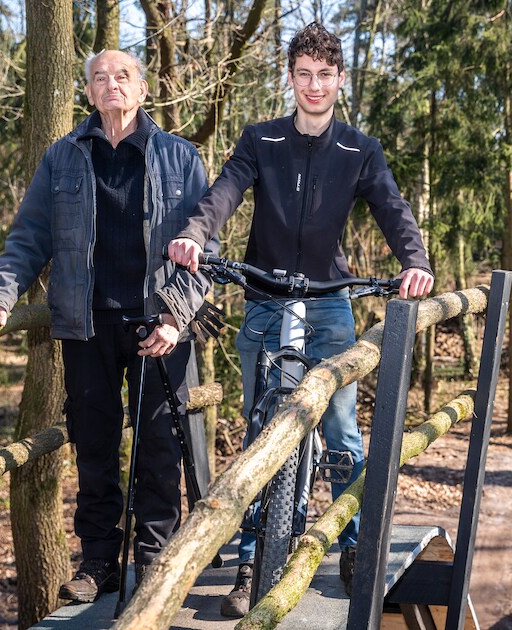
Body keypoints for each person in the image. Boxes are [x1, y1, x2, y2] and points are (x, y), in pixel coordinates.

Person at [167, 21, 434, 617]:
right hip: (264, 298)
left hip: (328, 300)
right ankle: (250, 561)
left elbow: (392, 208)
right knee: (260, 431)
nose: (314, 85)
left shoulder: (360, 150)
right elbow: (223, 192)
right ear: (290, 78)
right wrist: (194, 234)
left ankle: (354, 543)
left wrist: (415, 263)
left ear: (340, 80)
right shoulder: (260, 139)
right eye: (304, 74)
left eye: (325, 75)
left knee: (340, 430)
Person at [0, 49, 218, 603]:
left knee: (159, 446)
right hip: (87, 327)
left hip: (160, 324)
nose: (112, 85)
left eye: (123, 76)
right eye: (100, 78)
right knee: (94, 447)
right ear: (88, 93)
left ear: (143, 88)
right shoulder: (62, 158)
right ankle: (100, 562)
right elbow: (29, 236)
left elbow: (208, 247)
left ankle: (155, 559)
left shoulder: (180, 157)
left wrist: (176, 316)